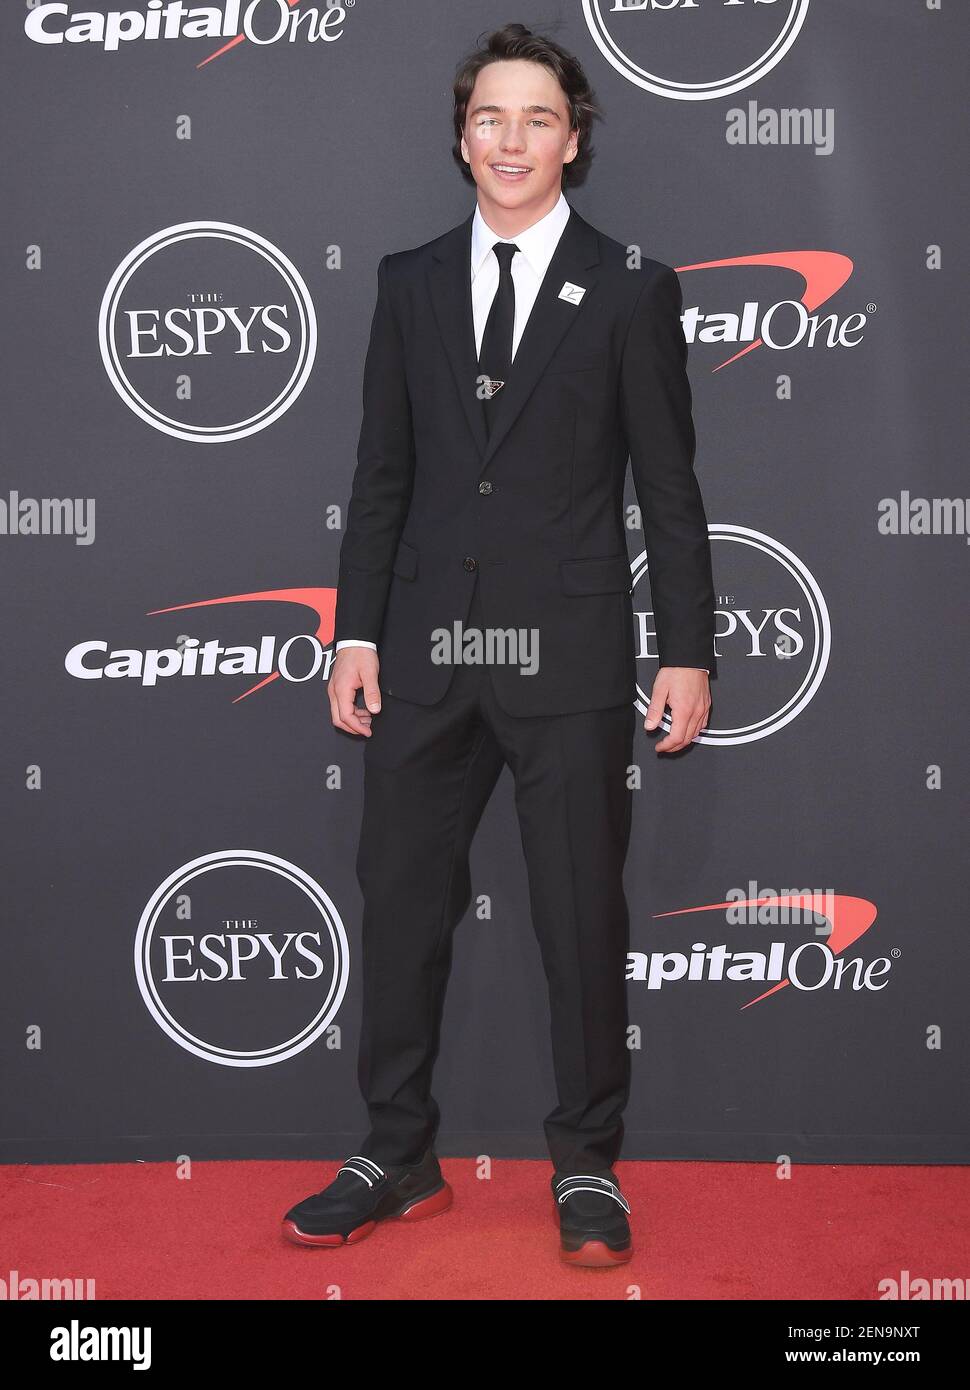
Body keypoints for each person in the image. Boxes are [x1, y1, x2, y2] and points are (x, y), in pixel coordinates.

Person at [283, 22, 715, 1267]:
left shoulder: (634, 285)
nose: (510, 139)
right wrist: (352, 628)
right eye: (489, 117)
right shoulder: (406, 281)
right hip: (420, 654)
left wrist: (685, 649)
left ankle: (586, 1167)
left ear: (573, 141)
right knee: (401, 902)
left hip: (569, 658)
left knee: (579, 919)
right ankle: (395, 1151)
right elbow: (382, 475)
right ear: (461, 139)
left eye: (536, 118)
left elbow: (669, 488)